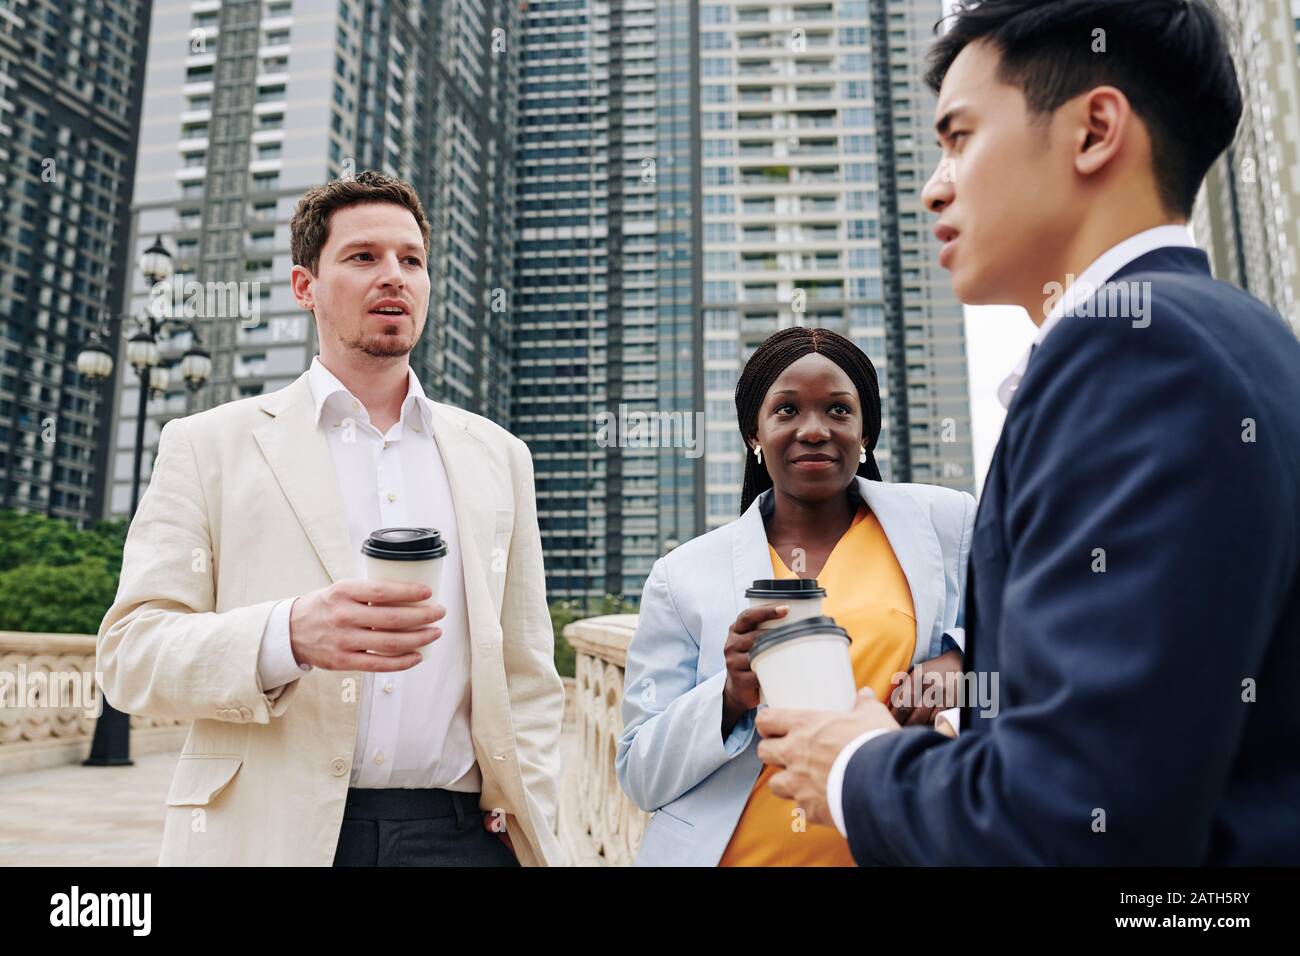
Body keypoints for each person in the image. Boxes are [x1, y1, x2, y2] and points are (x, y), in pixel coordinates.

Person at [755, 0, 1300, 864]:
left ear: (1093, 130)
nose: (935, 183)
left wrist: (854, 765)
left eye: (960, 137)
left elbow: (1078, 818)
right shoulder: (1241, 337)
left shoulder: (1137, 358)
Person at [98, 171, 567, 866]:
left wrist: (534, 814)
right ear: (304, 286)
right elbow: (130, 655)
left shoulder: (500, 457)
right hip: (272, 836)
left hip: (465, 840)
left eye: (411, 260)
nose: (393, 277)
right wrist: (285, 635)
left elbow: (529, 673)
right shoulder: (208, 445)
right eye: (362, 257)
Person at [616, 327, 975, 866]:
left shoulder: (949, 524)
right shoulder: (681, 575)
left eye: (837, 409)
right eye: (786, 411)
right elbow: (639, 773)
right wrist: (730, 696)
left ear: (865, 432)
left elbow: (1041, 639)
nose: (814, 429)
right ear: (754, 435)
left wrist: (961, 660)